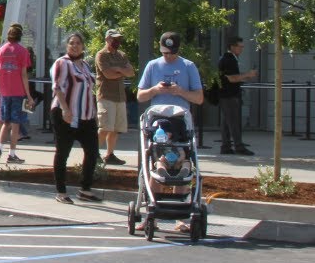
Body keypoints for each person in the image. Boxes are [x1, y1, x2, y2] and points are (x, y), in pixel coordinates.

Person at [50, 33, 102, 204]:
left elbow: (89, 91)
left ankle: (85, 189)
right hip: (66, 114)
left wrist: (94, 114)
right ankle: (61, 191)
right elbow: (57, 87)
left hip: (86, 116)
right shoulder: (62, 63)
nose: (75, 46)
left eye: (78, 43)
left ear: (83, 46)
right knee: (63, 152)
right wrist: (65, 109)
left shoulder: (86, 65)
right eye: (71, 43)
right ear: (67, 46)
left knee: (93, 152)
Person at [94, 28, 135, 166]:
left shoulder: (122, 55)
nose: (117, 41)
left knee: (116, 128)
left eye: (118, 39)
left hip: (120, 96)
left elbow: (131, 72)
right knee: (105, 127)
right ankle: (94, 153)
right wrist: (121, 71)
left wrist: (118, 69)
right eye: (114, 39)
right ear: (107, 39)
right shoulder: (101, 55)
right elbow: (108, 75)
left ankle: (109, 154)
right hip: (106, 95)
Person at [0, 23, 33, 164]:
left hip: (5, 91)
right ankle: (12, 153)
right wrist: (28, 95)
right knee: (16, 123)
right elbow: (23, 74)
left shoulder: (2, 50)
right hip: (18, 91)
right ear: (20, 35)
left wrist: (0, 88)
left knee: (6, 122)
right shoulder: (22, 51)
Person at [138, 31, 204, 112]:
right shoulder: (152, 65)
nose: (169, 56)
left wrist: (180, 91)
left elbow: (199, 99)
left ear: (179, 48)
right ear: (160, 47)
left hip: (180, 115)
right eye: (165, 52)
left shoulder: (189, 66)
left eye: (173, 52)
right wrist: (155, 90)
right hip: (158, 115)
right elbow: (140, 97)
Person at [217, 37, 257, 155]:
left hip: (226, 94)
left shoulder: (227, 58)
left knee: (227, 121)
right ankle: (238, 146)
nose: (242, 49)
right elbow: (232, 78)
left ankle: (226, 146)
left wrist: (244, 76)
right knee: (234, 121)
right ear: (233, 46)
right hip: (229, 95)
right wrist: (248, 74)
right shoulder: (229, 59)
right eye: (240, 46)